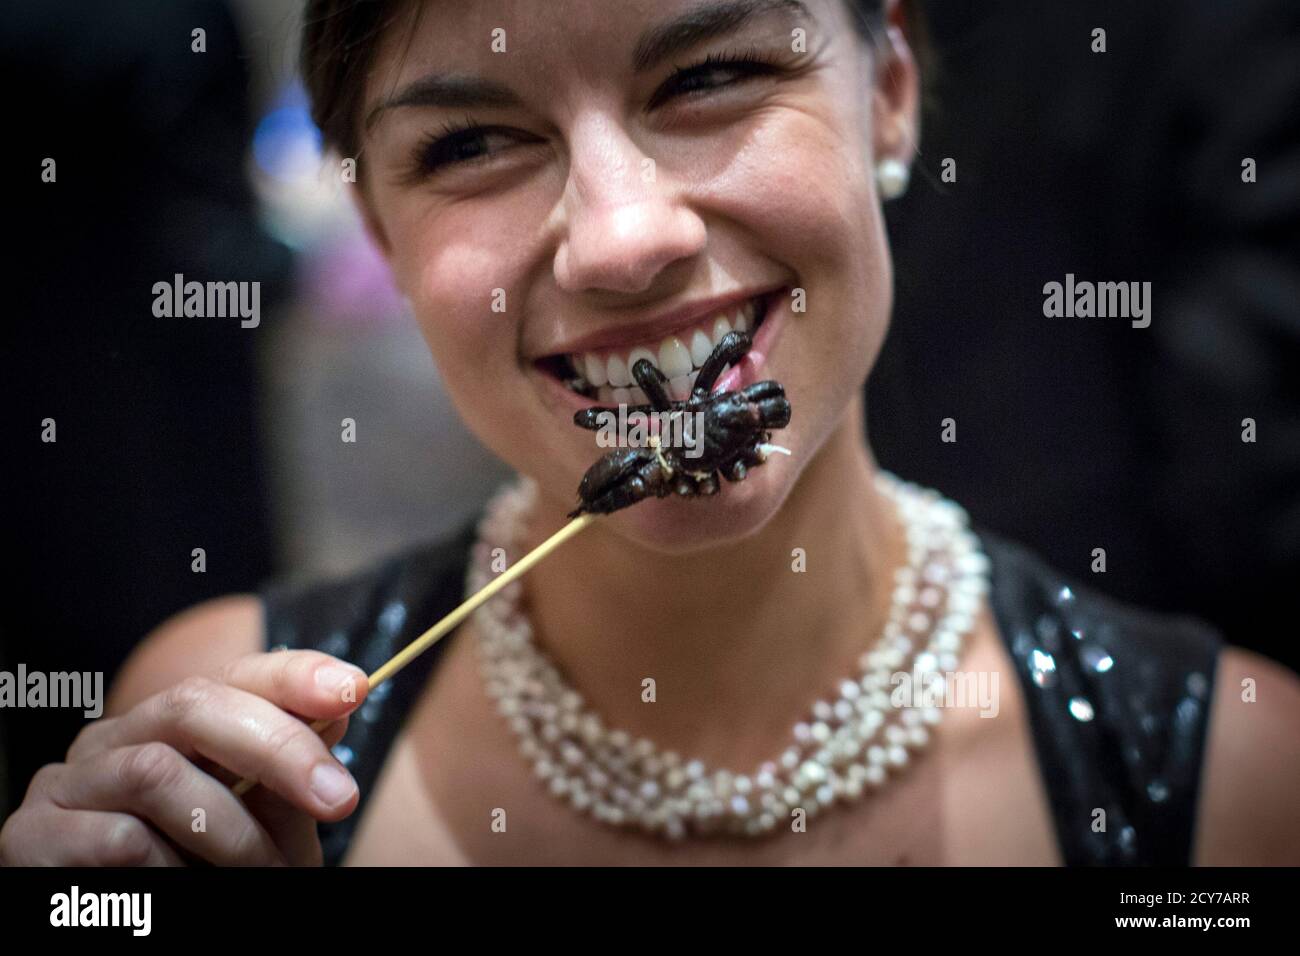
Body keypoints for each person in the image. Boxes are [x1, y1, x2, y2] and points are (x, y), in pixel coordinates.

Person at [3, 0, 1297, 867]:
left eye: (712, 77)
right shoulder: (234, 739)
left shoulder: (1238, 780)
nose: (624, 240)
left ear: (890, 92)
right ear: (383, 234)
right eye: (470, 142)